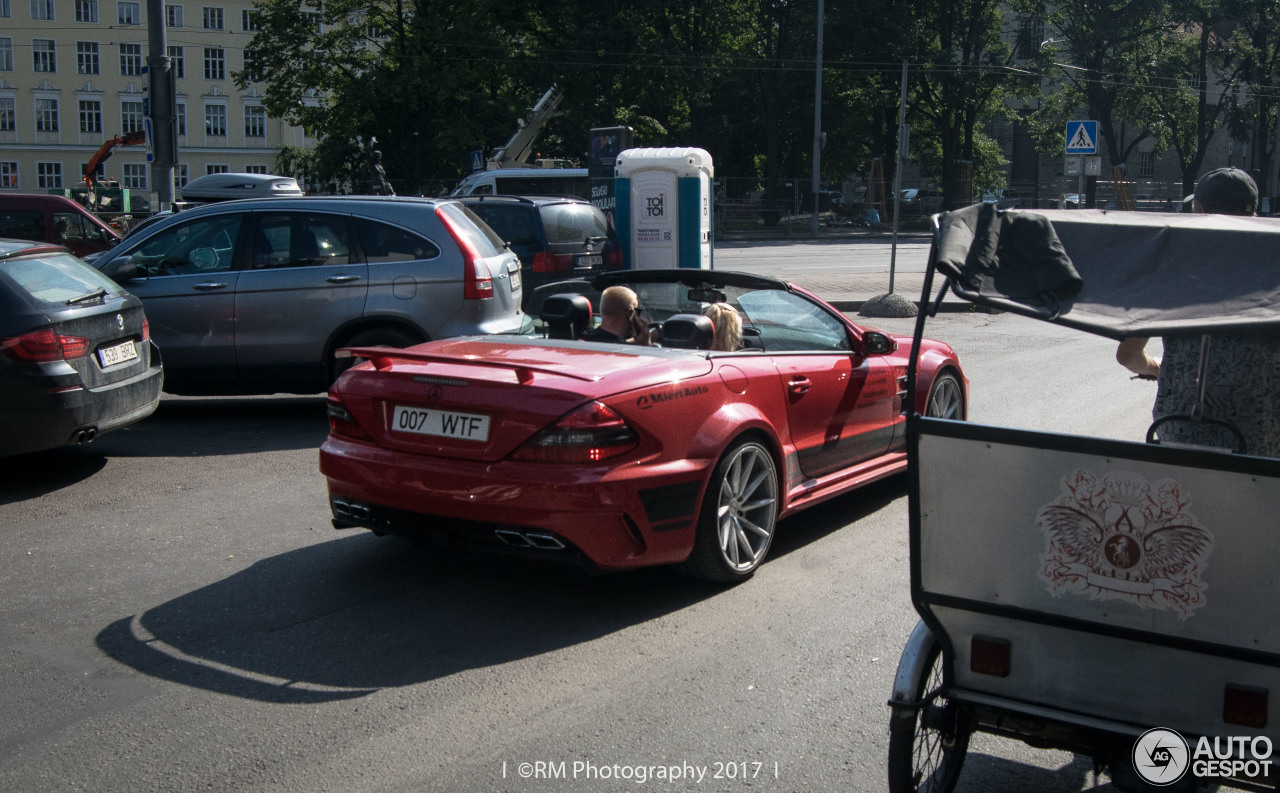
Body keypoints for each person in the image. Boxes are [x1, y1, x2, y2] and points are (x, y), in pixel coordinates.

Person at [1116, 167, 1280, 456]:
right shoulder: (1271, 268)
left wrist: (1155, 367)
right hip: (1258, 439)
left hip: (1178, 433)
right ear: (1254, 213)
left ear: (1200, 209)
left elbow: (1128, 356)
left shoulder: (1175, 268)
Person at [580, 286, 652, 345]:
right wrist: (644, 345)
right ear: (630, 314)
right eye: (637, 312)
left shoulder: (585, 340)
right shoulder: (622, 351)